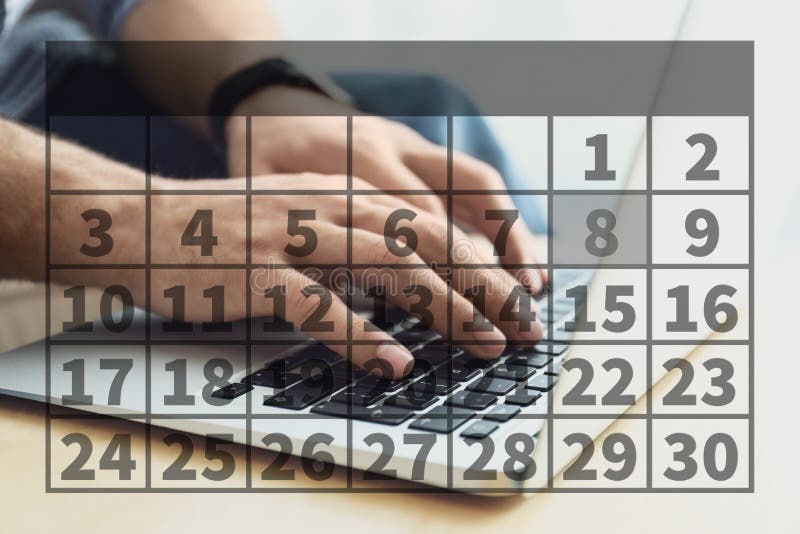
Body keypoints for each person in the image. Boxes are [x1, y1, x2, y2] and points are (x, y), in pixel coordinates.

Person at [0, 0, 546, 378]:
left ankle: (542, 287)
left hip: (34, 74)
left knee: (427, 109)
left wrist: (259, 87)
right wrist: (143, 218)